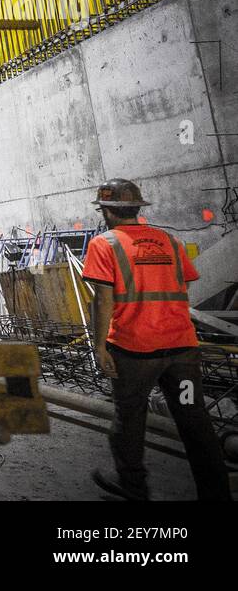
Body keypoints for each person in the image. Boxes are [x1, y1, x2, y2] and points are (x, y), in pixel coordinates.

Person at [82, 178, 231, 501]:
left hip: (135, 353)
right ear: (137, 207)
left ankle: (133, 487)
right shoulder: (170, 241)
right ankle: (216, 493)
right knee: (195, 421)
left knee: (130, 417)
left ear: (107, 210)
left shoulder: (104, 244)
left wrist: (99, 346)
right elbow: (183, 285)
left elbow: (102, 300)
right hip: (182, 352)